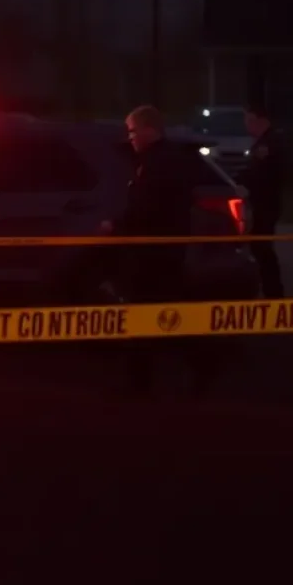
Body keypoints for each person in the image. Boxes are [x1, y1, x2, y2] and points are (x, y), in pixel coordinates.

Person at [102, 104, 196, 394]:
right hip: (160, 252)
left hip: (153, 254)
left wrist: (116, 225)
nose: (130, 137)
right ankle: (163, 376)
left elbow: (147, 208)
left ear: (149, 129)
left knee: (145, 315)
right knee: (161, 315)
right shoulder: (161, 159)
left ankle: (141, 382)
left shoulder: (159, 164)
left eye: (133, 131)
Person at [242, 103, 284, 298]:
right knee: (260, 248)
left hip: (265, 205)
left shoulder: (268, 144)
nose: (247, 125)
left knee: (262, 249)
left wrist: (245, 185)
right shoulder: (264, 142)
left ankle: (273, 293)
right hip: (264, 203)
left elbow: (260, 175)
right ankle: (271, 291)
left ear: (260, 120)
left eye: (249, 121)